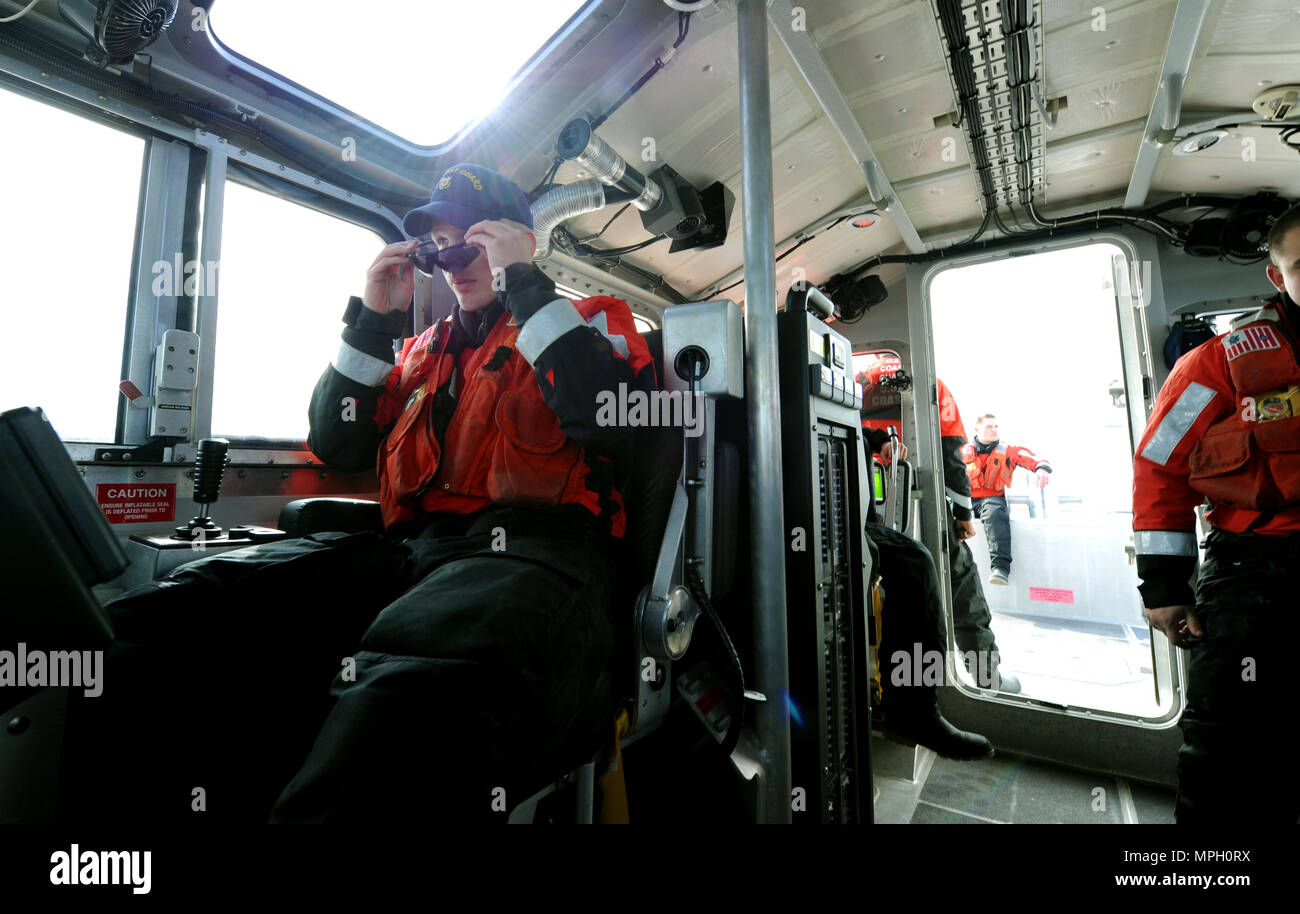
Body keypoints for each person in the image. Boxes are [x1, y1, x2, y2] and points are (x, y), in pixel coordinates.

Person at [57, 163, 656, 822]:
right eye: (438, 251)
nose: (451, 264)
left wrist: (528, 288)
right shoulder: (422, 353)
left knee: (407, 700)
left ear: (521, 243)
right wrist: (371, 322)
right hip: (407, 557)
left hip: (536, 560)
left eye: (471, 244)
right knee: (157, 623)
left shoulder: (588, 321)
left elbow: (612, 419)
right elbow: (339, 446)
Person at [1133, 200, 1300, 825]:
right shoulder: (1218, 362)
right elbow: (1159, 466)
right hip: (1257, 581)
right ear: (1278, 278)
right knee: (1229, 757)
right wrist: (1165, 587)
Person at [857, 362, 1019, 693]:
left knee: (890, 594)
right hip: (922, 501)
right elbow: (952, 454)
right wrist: (962, 513)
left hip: (867, 504)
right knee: (961, 585)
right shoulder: (935, 385)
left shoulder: (859, 379)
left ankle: (897, 685)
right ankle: (987, 679)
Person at [863, 428, 995, 761]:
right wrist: (964, 512)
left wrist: (879, 440)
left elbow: (857, 426)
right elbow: (953, 455)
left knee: (916, 563)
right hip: (836, 522)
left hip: (856, 517)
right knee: (915, 563)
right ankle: (913, 711)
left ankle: (913, 707)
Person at [960, 414, 1051, 586]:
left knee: (994, 512)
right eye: (989, 427)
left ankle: (1000, 569)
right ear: (977, 429)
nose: (994, 430)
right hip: (967, 500)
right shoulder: (962, 451)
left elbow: (1032, 458)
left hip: (992, 500)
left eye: (996, 427)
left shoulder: (1008, 451)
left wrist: (1041, 469)